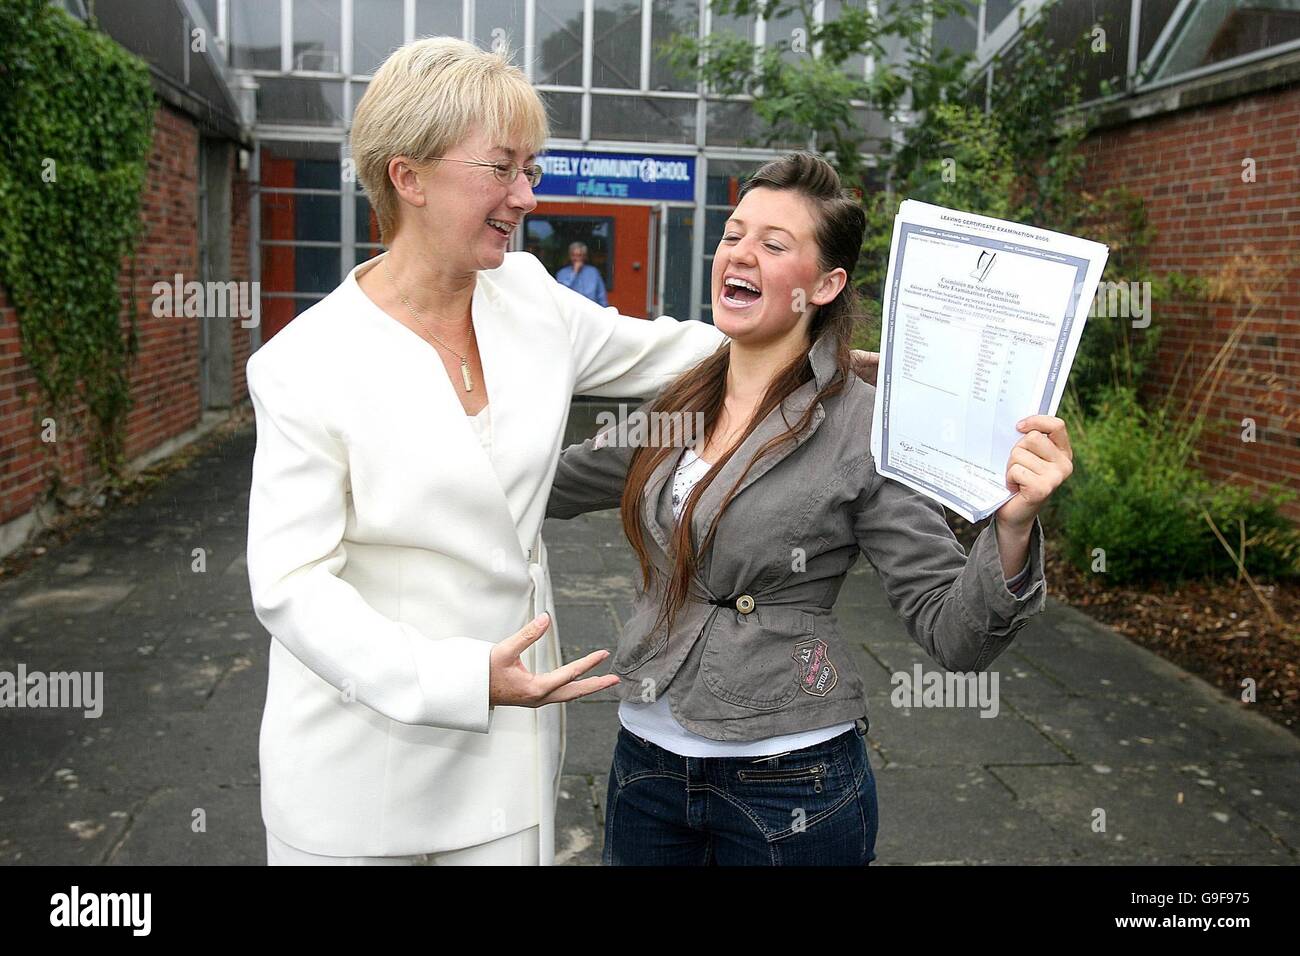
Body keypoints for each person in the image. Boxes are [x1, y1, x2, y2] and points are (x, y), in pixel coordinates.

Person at [245, 37, 883, 866]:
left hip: (508, 758)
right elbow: (291, 585)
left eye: (531, 170)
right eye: (502, 168)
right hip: (357, 765)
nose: (524, 194)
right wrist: (462, 679)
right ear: (408, 177)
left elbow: (680, 350)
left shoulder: (527, 296)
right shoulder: (303, 365)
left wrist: (830, 358)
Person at [546, 152, 1073, 865]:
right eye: (734, 234)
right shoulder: (679, 401)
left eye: (774, 244)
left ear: (826, 284)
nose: (740, 253)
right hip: (646, 762)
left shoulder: (864, 428)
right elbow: (548, 481)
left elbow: (957, 637)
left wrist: (1011, 529)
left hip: (789, 785)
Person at [555, 241, 608, 306]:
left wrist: (604, 310)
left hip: (591, 310)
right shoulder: (562, 273)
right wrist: (574, 273)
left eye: (579, 255)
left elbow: (601, 295)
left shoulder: (593, 272)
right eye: (573, 255)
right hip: (570, 310)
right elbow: (560, 292)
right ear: (569, 256)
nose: (576, 258)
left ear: (584, 257)